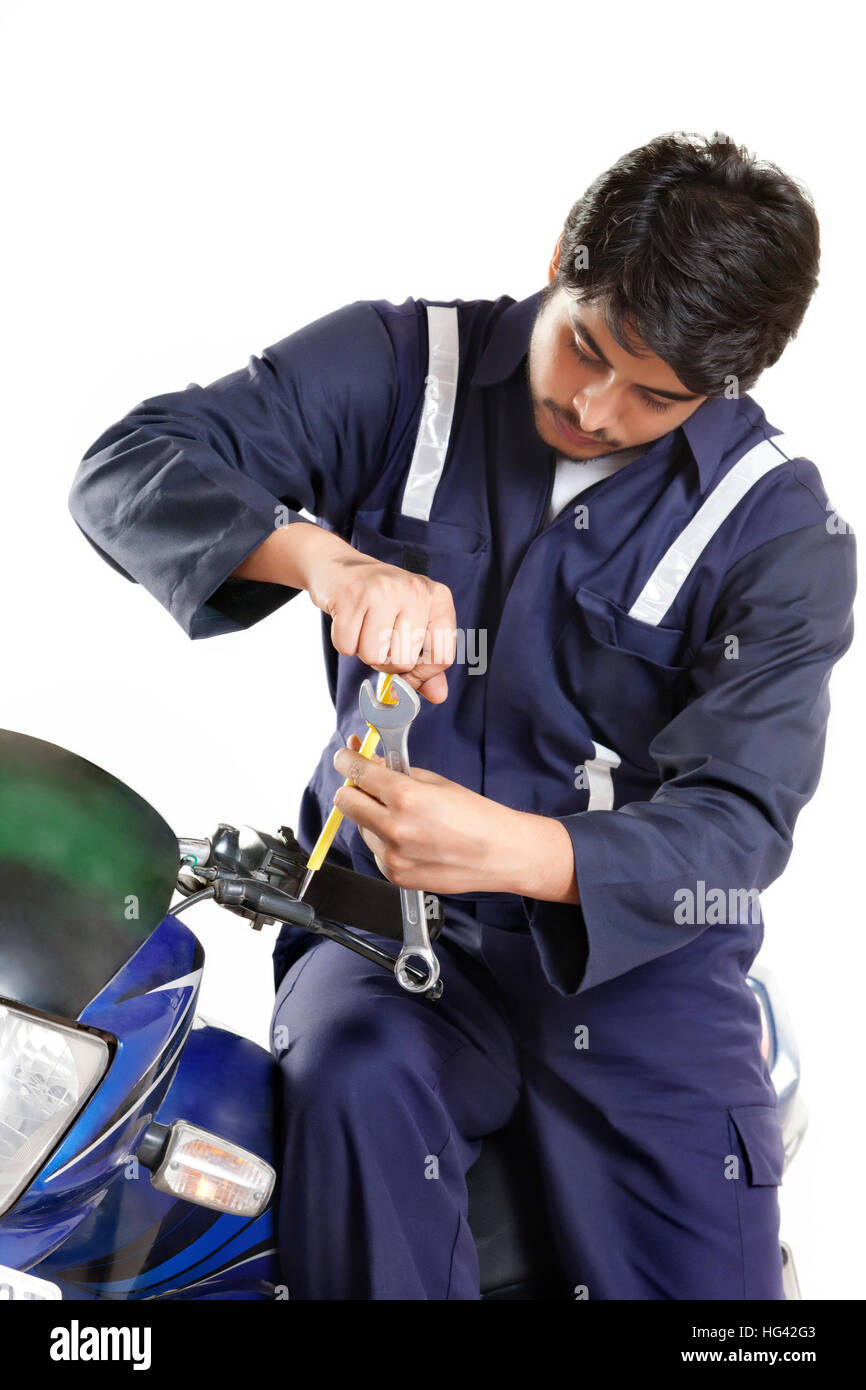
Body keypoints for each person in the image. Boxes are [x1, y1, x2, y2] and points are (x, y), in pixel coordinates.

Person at [68, 130, 857, 1300]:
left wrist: (529, 851)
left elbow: (740, 824)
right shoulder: (399, 367)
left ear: (723, 387)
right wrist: (324, 563)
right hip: (381, 934)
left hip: (641, 979)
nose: (594, 406)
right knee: (348, 1083)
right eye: (585, 345)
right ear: (558, 260)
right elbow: (128, 466)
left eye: (655, 396)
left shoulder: (781, 533)